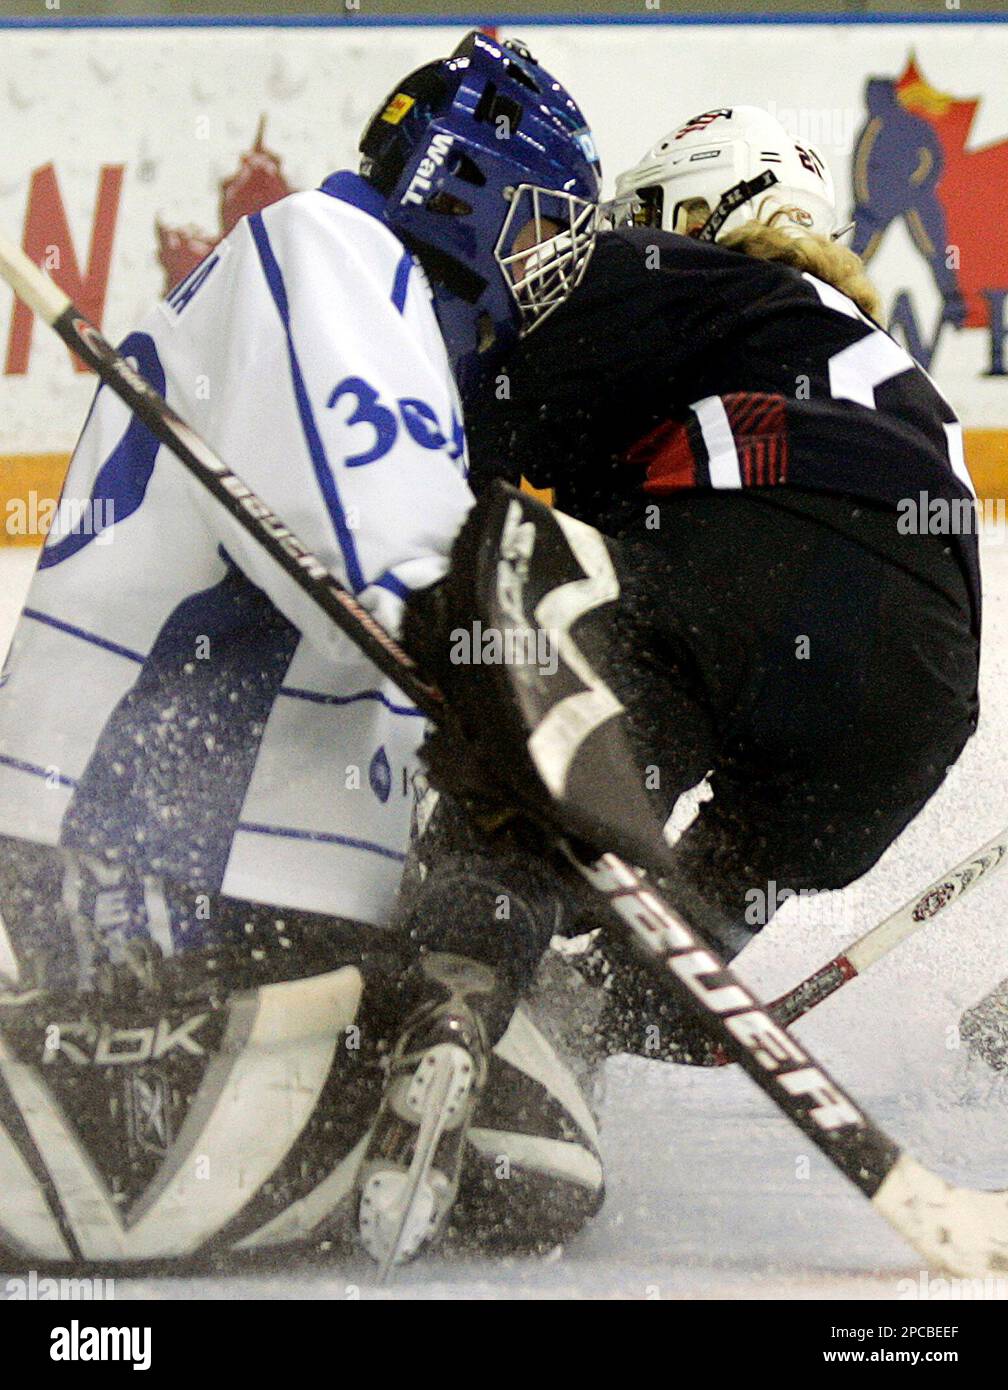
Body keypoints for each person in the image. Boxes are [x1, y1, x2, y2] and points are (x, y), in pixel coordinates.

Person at [0, 32, 604, 1269]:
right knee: (159, 1203)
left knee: (548, 1153)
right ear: (470, 186)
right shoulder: (335, 254)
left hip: (249, 878)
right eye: (542, 229)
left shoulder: (384, 321)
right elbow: (391, 554)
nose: (548, 273)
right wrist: (534, 707)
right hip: (141, 858)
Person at [433, 105, 981, 1063]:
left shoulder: (685, 277)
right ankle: (623, 1013)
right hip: (914, 701)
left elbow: (471, 418)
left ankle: (452, 986)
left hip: (744, 571)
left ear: (694, 213)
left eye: (640, 213)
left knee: (536, 806)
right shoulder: (905, 378)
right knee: (733, 873)